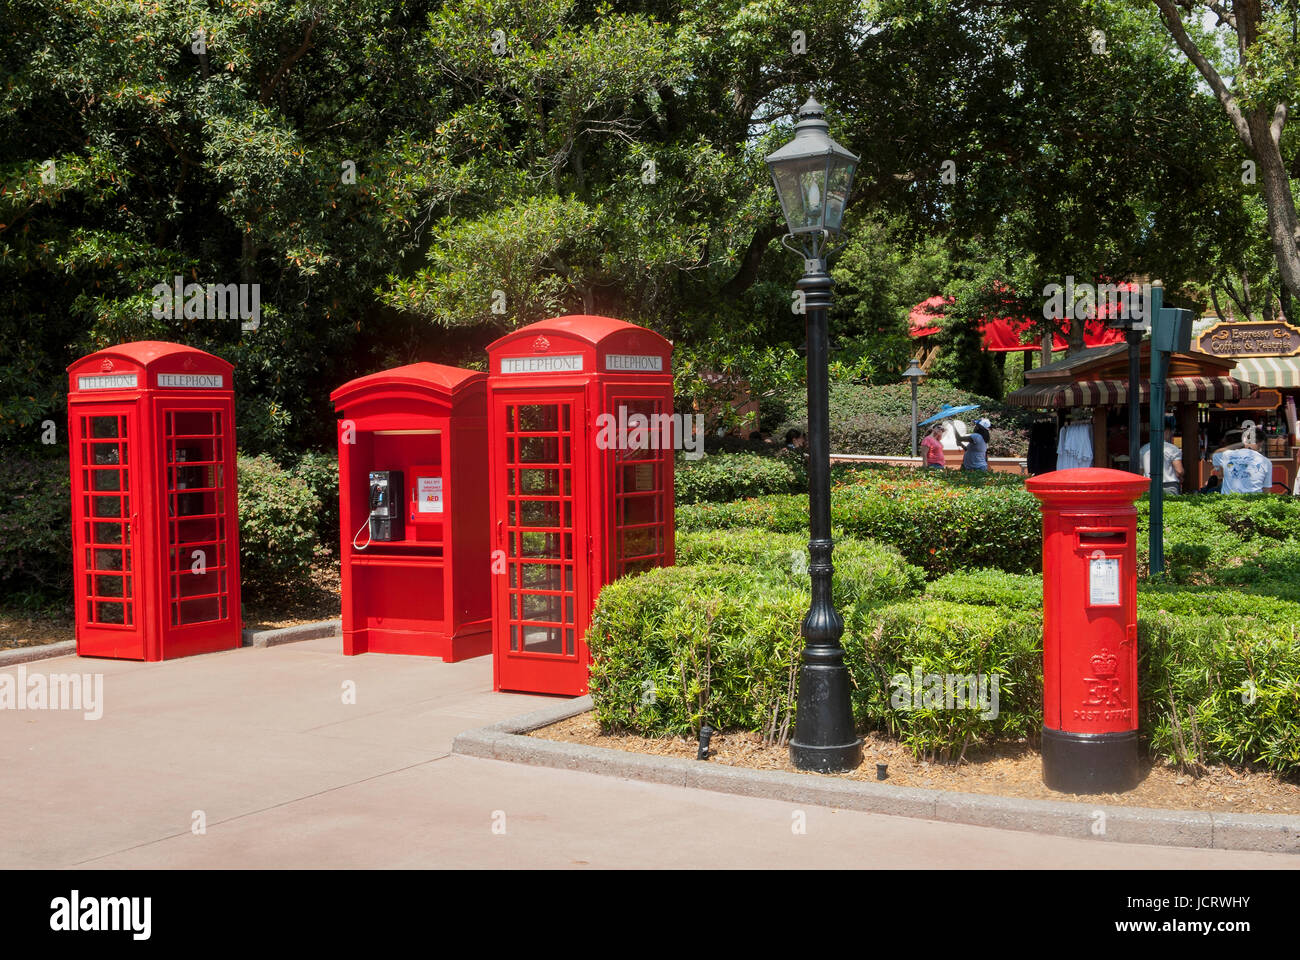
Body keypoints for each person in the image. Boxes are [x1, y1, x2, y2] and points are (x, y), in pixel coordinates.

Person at [1140, 416, 1184, 495]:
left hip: (1149, 486)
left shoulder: (1144, 449)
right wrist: (1181, 478)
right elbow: (1179, 471)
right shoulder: (1172, 449)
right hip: (1170, 485)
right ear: (1167, 431)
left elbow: (1140, 471)